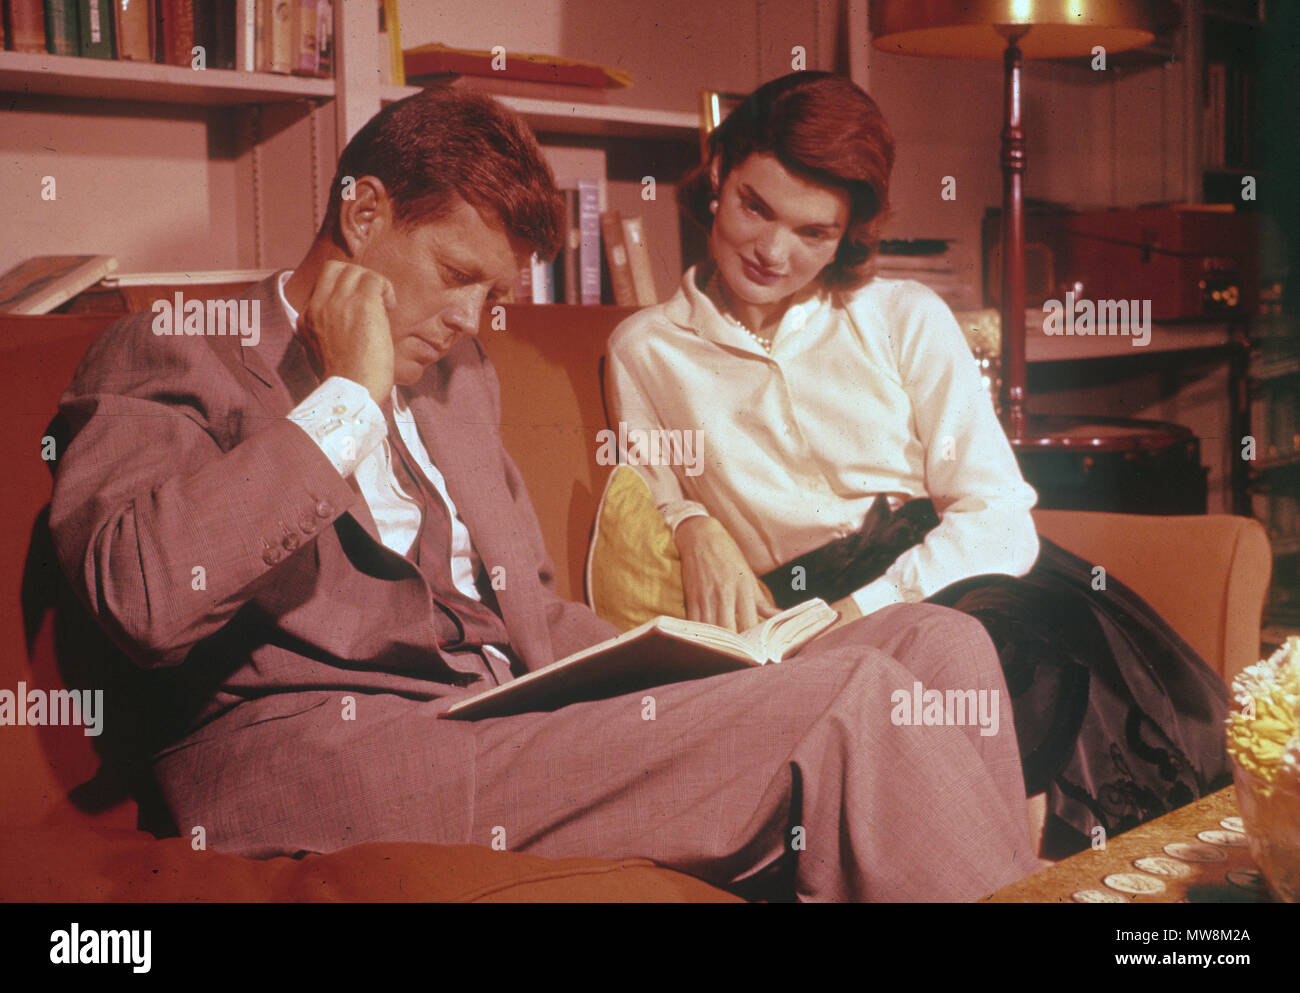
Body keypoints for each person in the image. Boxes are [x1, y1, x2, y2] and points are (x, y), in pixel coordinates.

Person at [48, 87, 1036, 901]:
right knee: (849, 703)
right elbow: (140, 597)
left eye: (495, 295)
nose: (473, 320)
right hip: (315, 757)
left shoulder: (457, 374)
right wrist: (345, 400)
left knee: (935, 643)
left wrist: (712, 663)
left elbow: (515, 607)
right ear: (362, 212)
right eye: (455, 275)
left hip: (499, 716)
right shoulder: (171, 347)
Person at [605, 71, 1232, 860]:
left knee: (1007, 675)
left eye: (814, 232)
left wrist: (866, 606)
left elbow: (996, 512)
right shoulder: (643, 350)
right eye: (755, 207)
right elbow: (648, 482)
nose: (772, 251)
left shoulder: (902, 317)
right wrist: (696, 525)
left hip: (959, 577)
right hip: (804, 612)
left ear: (849, 233)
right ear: (720, 172)